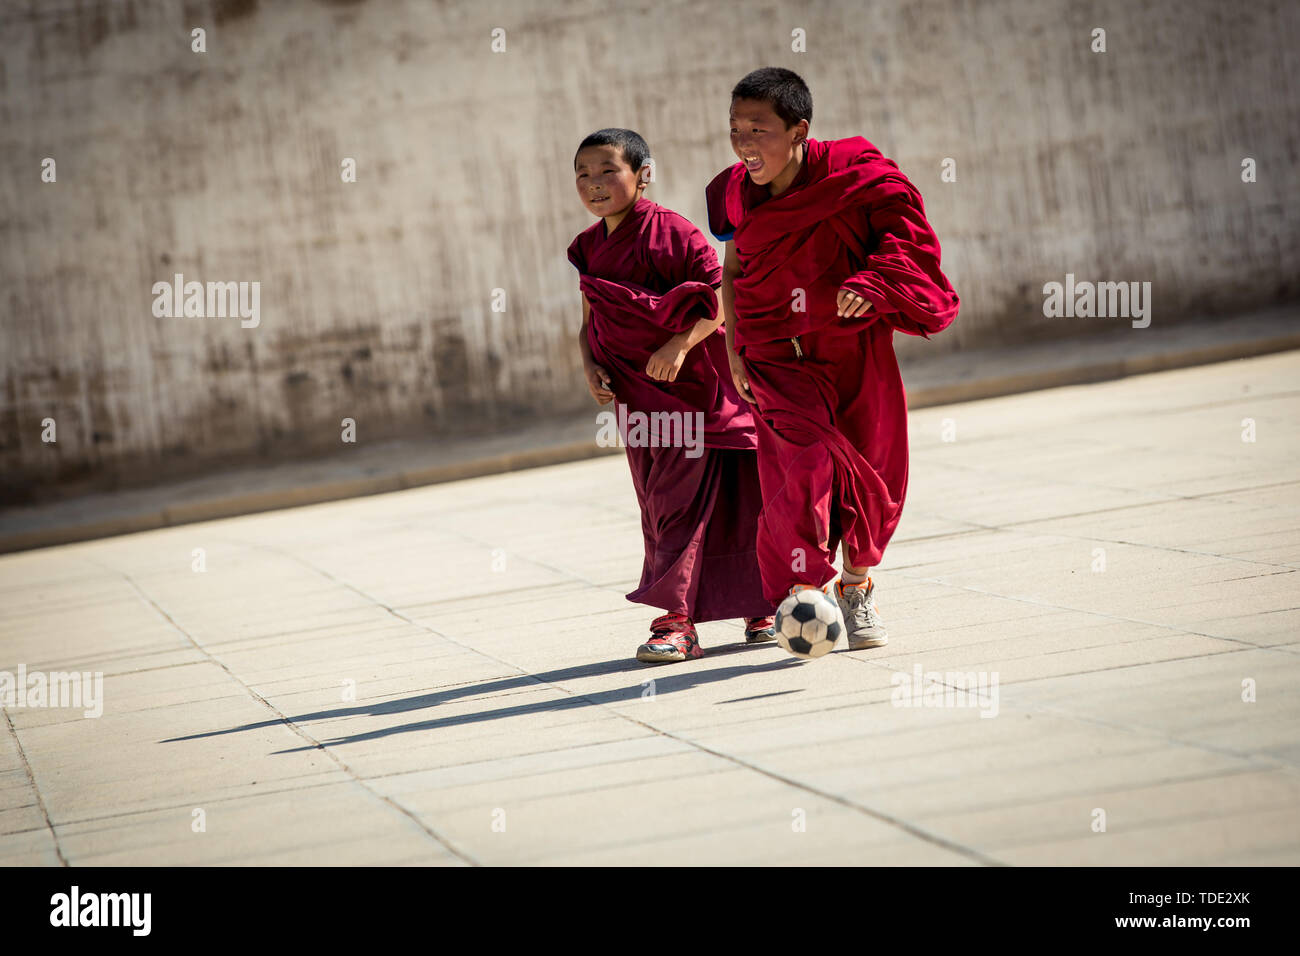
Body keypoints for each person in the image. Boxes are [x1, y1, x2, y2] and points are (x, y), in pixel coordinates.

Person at [706, 68, 960, 649]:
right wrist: (734, 348)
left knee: (874, 473)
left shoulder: (855, 173)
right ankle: (800, 593)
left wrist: (875, 281)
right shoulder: (729, 192)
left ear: (800, 129)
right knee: (803, 466)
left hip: (853, 346)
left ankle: (857, 585)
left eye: (758, 130)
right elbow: (735, 271)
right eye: (735, 129)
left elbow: (911, 242)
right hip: (774, 354)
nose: (744, 144)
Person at [569, 128, 777, 663]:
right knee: (662, 506)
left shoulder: (672, 232)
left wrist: (679, 346)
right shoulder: (590, 246)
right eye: (583, 174)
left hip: (697, 394)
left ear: (642, 174)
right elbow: (591, 317)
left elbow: (720, 300)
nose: (594, 184)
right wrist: (590, 365)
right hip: (640, 404)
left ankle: (695, 619)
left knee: (730, 500)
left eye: (607, 171)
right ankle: (721, 614)